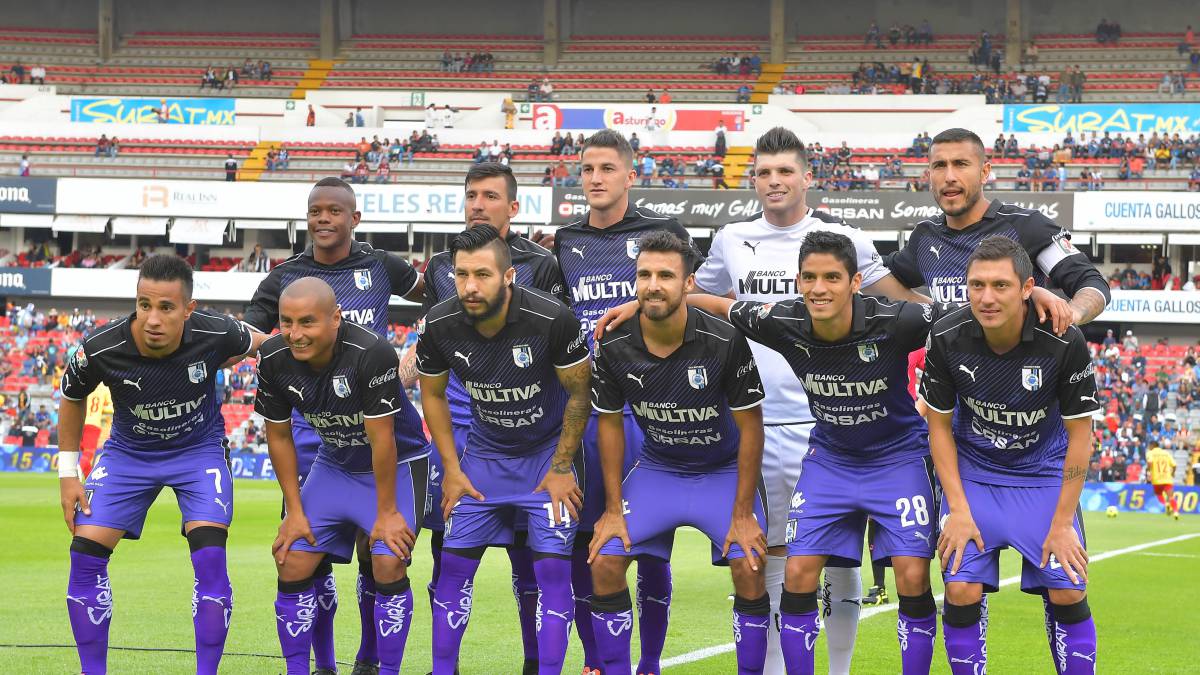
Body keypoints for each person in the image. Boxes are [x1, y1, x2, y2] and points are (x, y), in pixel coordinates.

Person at [594, 126, 925, 675]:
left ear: (807, 177)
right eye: (764, 173)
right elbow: (698, 295)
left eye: (785, 171)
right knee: (768, 555)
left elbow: (904, 306)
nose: (774, 181)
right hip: (758, 420)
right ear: (753, 179)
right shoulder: (732, 238)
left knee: (837, 557)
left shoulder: (844, 238)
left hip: (826, 424)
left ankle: (838, 670)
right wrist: (643, 303)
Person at [682, 230, 942, 674]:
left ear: (855, 282)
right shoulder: (783, 320)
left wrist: (1041, 298)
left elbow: (966, 316)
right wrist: (640, 305)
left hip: (897, 458)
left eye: (832, 278)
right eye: (810, 278)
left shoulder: (897, 319)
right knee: (798, 573)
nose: (819, 288)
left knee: (913, 576)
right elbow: (718, 305)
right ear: (798, 281)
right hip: (831, 460)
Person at [244, 178, 425, 675]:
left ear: (354, 218)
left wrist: (423, 345)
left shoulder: (382, 266)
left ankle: (371, 660)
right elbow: (253, 333)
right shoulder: (285, 277)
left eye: (334, 211)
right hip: (320, 436)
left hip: (383, 429)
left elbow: (440, 296)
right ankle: (320, 665)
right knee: (302, 553)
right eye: (315, 211)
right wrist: (279, 345)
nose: (323, 219)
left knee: (380, 554)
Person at [57, 254, 264, 675]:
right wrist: (67, 474)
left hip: (198, 452)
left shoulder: (217, 331)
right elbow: (72, 395)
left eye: (166, 307)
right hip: (129, 454)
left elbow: (264, 343)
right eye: (144, 304)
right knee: (85, 556)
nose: (152, 318)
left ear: (188, 310)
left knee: (210, 557)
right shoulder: (101, 348)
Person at [587, 231, 770, 673]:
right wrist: (611, 509)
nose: (653, 285)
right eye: (644, 274)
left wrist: (743, 514)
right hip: (659, 468)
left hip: (722, 471)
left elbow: (752, 429)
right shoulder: (613, 341)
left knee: (749, 567)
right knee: (606, 558)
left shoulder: (723, 340)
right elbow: (609, 425)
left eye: (666, 276)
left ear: (688, 283)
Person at [920, 236, 1100, 675]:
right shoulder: (945, 336)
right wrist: (958, 509)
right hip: (976, 474)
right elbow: (938, 427)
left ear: (1026, 288)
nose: (986, 297)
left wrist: (1063, 524)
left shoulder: (1063, 340)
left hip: (1042, 474)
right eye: (977, 285)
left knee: (1068, 589)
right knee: (960, 589)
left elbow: (1081, 437)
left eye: (1000, 285)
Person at [417, 225, 591, 675]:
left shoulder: (551, 319)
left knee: (553, 573)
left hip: (546, 460)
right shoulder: (439, 324)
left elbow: (580, 393)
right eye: (461, 275)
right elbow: (432, 394)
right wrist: (452, 469)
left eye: (482, 274)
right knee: (452, 569)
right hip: (483, 459)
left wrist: (562, 467)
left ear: (509, 276)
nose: (470, 286)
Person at [552, 129, 692, 675]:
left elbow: (693, 297)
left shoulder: (663, 232)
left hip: (650, 407)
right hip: (589, 410)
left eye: (607, 168)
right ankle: (596, 662)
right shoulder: (565, 241)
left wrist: (638, 305)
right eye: (587, 169)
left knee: (649, 545)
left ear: (630, 175)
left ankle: (649, 662)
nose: (595, 178)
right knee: (585, 541)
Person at [885, 128, 1110, 321]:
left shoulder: (1026, 226)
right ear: (929, 176)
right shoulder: (925, 237)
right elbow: (877, 276)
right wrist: (929, 310)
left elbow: (1091, 283)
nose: (949, 176)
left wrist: (1071, 314)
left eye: (961, 164)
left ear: (984, 173)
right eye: (939, 166)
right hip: (947, 359)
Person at [1146, 443, 1179, 519]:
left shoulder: (1150, 453)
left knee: (1159, 494)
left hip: (1157, 479)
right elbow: (1174, 465)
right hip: (1167, 478)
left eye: (1149, 446)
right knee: (1171, 497)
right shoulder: (1166, 453)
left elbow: (1150, 462)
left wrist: (1148, 472)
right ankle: (1176, 512)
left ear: (1152, 446)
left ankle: (1166, 504)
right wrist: (1173, 473)